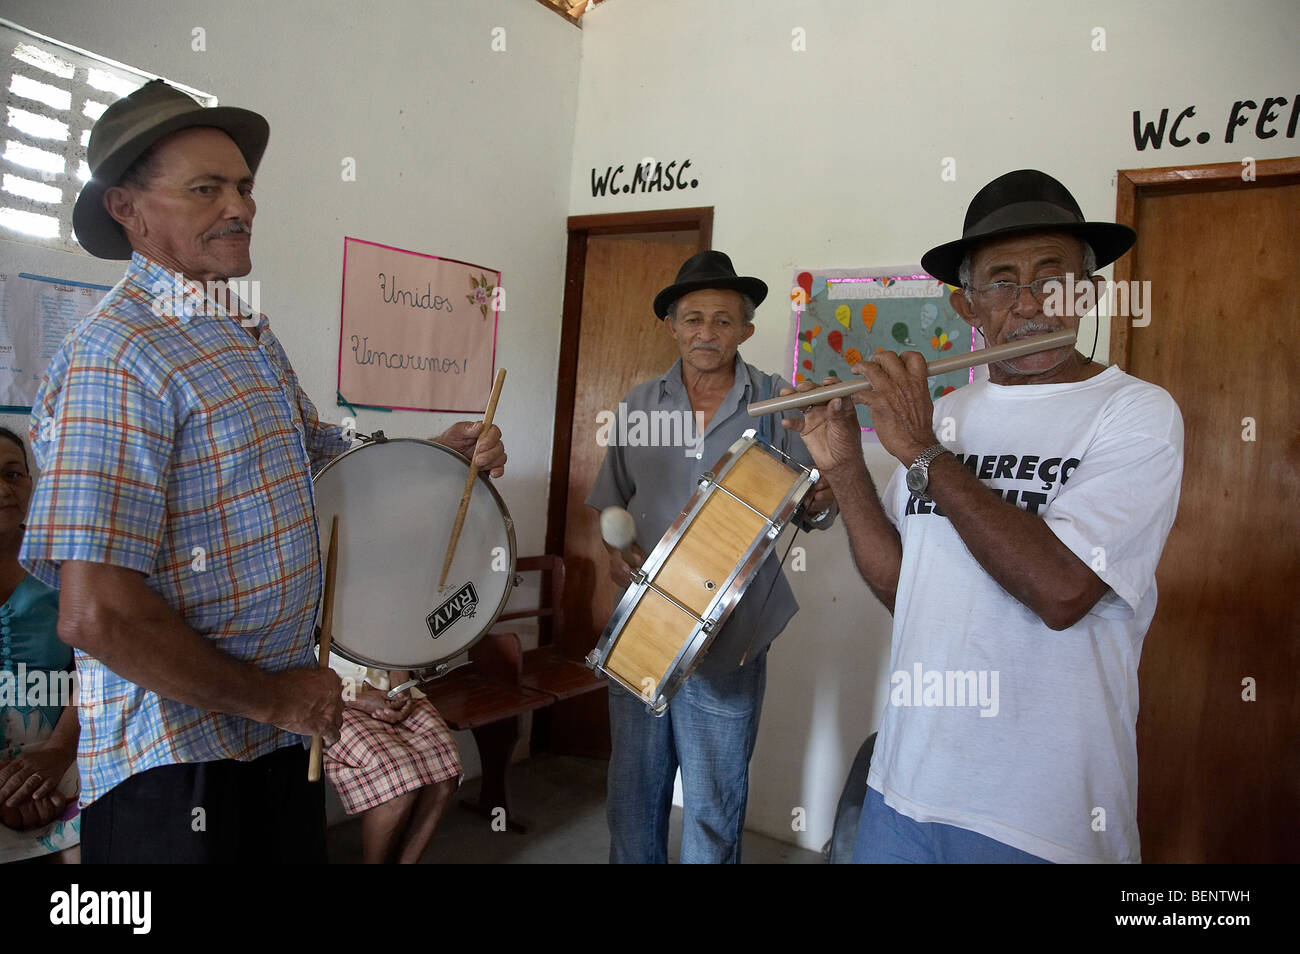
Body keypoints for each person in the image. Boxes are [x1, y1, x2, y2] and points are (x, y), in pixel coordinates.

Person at [20, 81, 506, 863]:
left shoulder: (242, 325)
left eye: (244, 185)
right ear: (126, 209)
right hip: (177, 758)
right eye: (204, 189)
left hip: (276, 729)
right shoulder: (119, 354)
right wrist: (276, 696)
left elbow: (310, 447)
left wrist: (434, 457)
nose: (239, 206)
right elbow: (96, 613)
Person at [786, 169, 1183, 863]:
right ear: (969, 307)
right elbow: (899, 587)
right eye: (1001, 282)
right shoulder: (948, 415)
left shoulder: (1137, 413)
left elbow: (1063, 592)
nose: (1030, 304)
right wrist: (845, 464)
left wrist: (921, 452)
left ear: (1087, 291)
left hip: (1044, 817)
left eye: (1052, 278)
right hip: (905, 789)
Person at [587, 250, 835, 864]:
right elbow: (609, 504)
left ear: (747, 330)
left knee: (713, 807)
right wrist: (615, 554)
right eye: (692, 319)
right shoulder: (639, 405)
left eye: (723, 321)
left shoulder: (778, 403)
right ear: (671, 325)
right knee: (633, 798)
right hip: (643, 624)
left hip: (732, 630)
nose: (706, 333)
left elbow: (814, 509)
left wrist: (824, 499)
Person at [0, 427, 80, 864]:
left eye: (13, 473)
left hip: (66, 759)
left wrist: (57, 756)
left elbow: (97, 666)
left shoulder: (68, 563)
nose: (3, 489)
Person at [323, 657, 459, 864]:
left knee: (445, 773)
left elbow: (398, 649)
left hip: (388, 692)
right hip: (334, 700)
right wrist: (359, 699)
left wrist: (401, 692)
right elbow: (304, 678)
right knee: (399, 786)